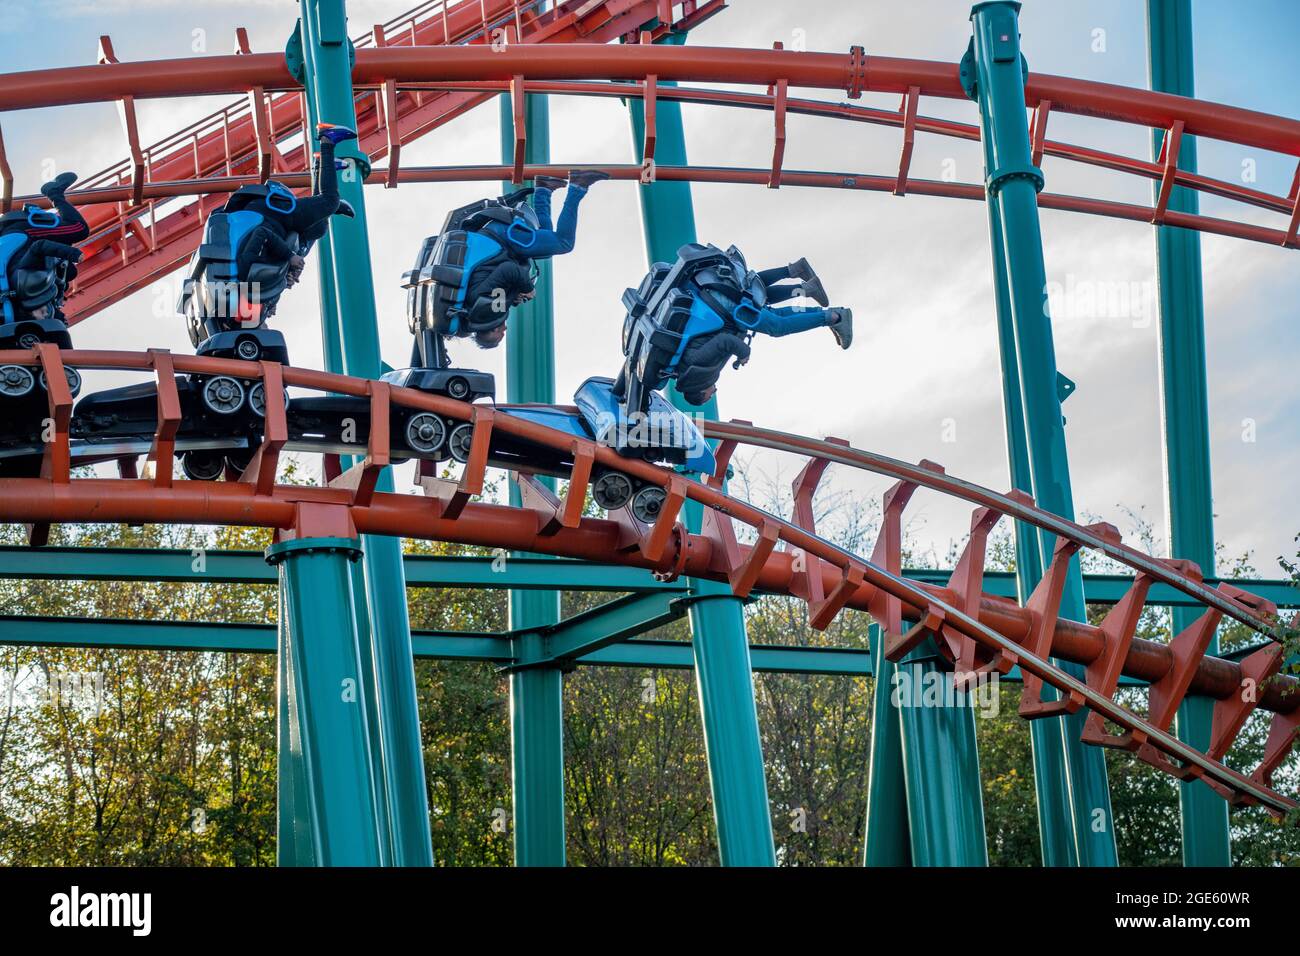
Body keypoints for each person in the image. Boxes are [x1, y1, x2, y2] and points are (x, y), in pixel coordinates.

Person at [221, 122, 358, 321]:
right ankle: (322, 166)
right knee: (319, 227)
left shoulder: (243, 273)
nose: (271, 312)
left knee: (329, 201)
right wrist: (290, 269)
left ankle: (327, 139)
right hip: (282, 226)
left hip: (275, 215)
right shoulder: (263, 286)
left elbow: (262, 235)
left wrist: (289, 257)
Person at [460, 169, 608, 347]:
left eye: (500, 333)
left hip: (503, 238)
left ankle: (578, 185)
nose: (504, 330)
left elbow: (508, 270)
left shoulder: (492, 311)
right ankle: (544, 189)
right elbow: (495, 281)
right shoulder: (477, 310)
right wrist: (515, 294)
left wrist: (527, 288)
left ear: (491, 330)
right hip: (498, 238)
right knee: (546, 246)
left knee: (564, 243)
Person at [0, 172, 88, 325]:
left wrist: (74, 254)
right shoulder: (25, 300)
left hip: (24, 231)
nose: (45, 313)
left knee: (78, 229)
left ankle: (54, 192)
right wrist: (60, 317)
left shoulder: (24, 281)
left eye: (42, 314)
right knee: (71, 272)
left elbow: (39, 247)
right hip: (21, 240)